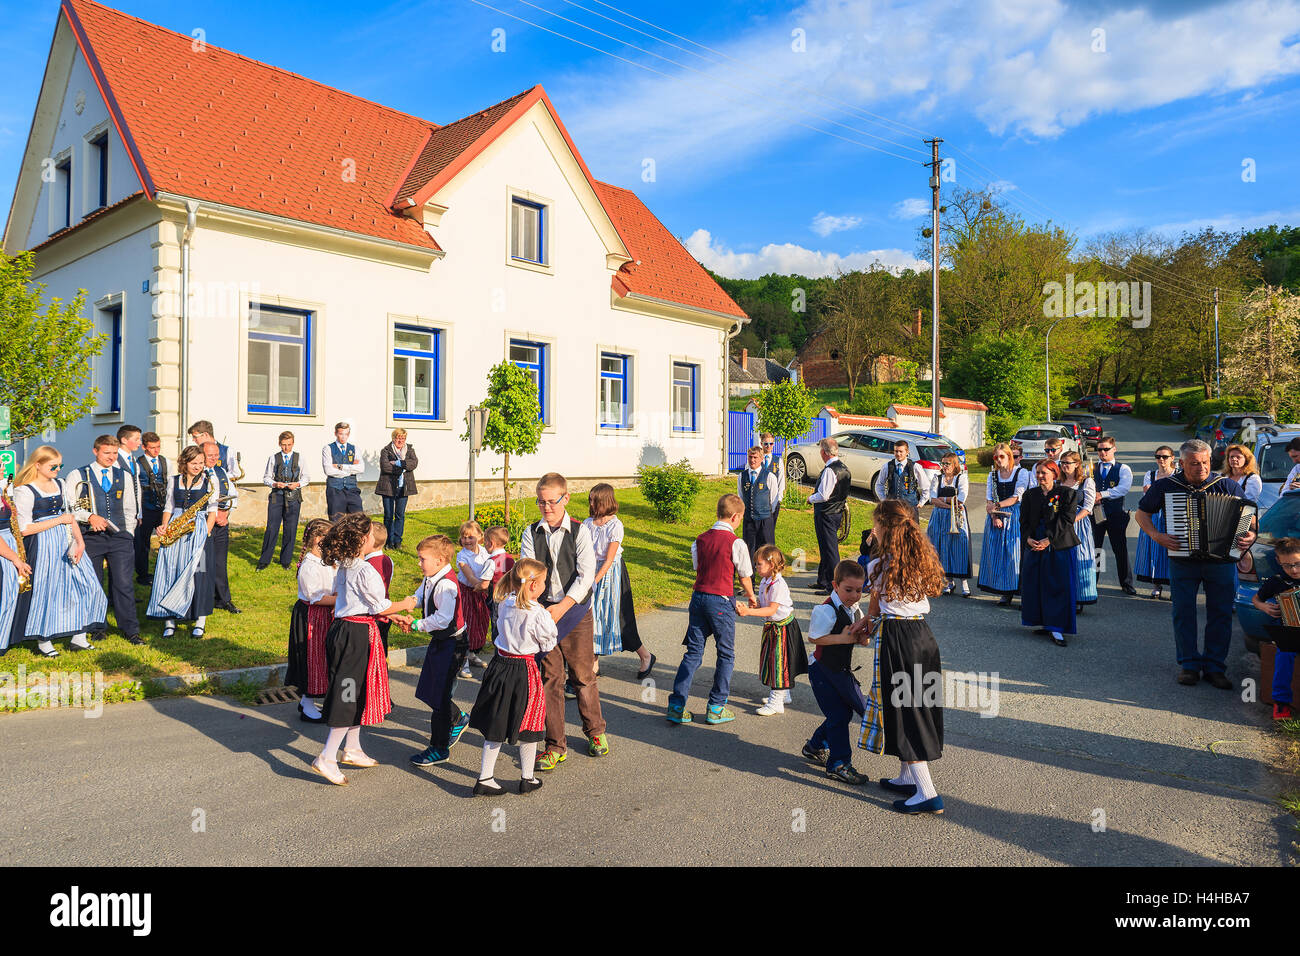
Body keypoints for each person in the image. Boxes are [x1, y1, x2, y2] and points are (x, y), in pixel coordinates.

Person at [1135, 439, 1256, 688]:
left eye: (1204, 462)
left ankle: (1215, 667)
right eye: (1194, 463)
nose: (1200, 467)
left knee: (1220, 613)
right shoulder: (1167, 486)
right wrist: (1157, 536)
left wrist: (1250, 536)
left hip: (1221, 560)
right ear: (1181, 463)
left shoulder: (1227, 485)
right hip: (1183, 560)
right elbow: (1141, 514)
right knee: (1183, 612)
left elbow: (1250, 521)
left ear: (1210, 460)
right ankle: (1189, 665)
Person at [312, 514, 415, 785]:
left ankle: (353, 748)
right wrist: (405, 604)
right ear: (363, 540)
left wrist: (395, 616)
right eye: (369, 532)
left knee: (357, 692)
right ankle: (327, 756)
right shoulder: (365, 570)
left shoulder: (348, 564)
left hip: (348, 629)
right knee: (347, 693)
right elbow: (378, 606)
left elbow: (365, 605)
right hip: (354, 637)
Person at [520, 473, 609, 768]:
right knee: (550, 679)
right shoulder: (530, 533)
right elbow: (526, 575)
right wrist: (537, 607)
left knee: (583, 676)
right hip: (543, 613)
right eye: (541, 502)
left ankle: (595, 731)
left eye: (552, 501)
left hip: (575, 612)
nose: (546, 507)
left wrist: (563, 606)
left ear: (565, 498)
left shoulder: (579, 531)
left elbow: (586, 576)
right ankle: (555, 744)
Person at [864, 503, 947, 814]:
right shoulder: (919, 559)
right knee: (918, 706)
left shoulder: (879, 566)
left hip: (898, 639)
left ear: (886, 528)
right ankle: (906, 776)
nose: (873, 530)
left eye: (877, 526)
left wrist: (865, 627)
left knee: (905, 712)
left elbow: (875, 609)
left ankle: (927, 793)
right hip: (923, 637)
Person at [666, 493, 757, 725]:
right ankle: (716, 706)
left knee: (693, 653)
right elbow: (744, 575)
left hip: (698, 598)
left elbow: (699, 567)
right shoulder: (736, 543)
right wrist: (751, 596)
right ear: (736, 517)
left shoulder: (700, 539)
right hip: (721, 600)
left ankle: (677, 705)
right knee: (726, 653)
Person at [468, 558, 557, 795]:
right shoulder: (538, 613)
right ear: (535, 585)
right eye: (544, 581)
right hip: (524, 670)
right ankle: (527, 777)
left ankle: (485, 777)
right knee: (529, 723)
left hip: (499, 665)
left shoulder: (505, 603)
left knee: (496, 721)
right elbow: (548, 643)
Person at [11, 445, 107, 657]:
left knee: (88, 585)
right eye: (53, 466)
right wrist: (58, 521)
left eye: (59, 465)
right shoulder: (24, 490)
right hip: (43, 544)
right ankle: (44, 640)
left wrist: (80, 542)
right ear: (37, 465)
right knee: (49, 591)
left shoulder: (60, 484)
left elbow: (70, 516)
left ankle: (79, 636)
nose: (57, 469)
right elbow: (25, 529)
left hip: (66, 540)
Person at [400, 534, 471, 768]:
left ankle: (439, 748)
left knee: (439, 697)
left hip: (453, 644)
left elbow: (442, 618)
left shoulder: (447, 585)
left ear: (440, 560)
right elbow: (421, 594)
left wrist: (416, 624)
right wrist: (410, 603)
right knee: (430, 689)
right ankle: (458, 717)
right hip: (441, 642)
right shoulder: (431, 577)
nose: (419, 563)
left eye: (422, 559)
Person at [801, 559, 872, 784]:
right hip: (823, 672)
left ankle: (814, 746)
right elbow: (815, 636)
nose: (854, 595)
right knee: (841, 716)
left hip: (840, 670)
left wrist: (862, 636)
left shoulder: (853, 608)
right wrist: (843, 637)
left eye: (859, 590)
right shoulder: (826, 609)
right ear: (835, 585)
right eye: (848, 590)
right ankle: (838, 764)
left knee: (841, 714)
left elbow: (858, 638)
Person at [71, 435, 142, 645]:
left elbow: (130, 507)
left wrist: (128, 533)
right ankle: (97, 626)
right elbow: (72, 506)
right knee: (94, 583)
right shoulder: (78, 474)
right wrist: (89, 516)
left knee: (123, 583)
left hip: (119, 537)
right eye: (106, 453)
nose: (111, 457)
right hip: (91, 538)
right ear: (95, 451)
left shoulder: (124, 475)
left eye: (113, 453)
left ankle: (130, 629)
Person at [147, 446, 217, 638]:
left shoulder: (210, 481)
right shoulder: (173, 481)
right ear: (184, 463)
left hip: (199, 528)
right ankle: (169, 620)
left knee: (200, 573)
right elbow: (168, 507)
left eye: (201, 463)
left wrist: (206, 532)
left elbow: (213, 510)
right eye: (194, 463)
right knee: (171, 571)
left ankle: (200, 619)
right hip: (176, 528)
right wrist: (164, 528)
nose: (198, 467)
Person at [584, 483, 653, 676]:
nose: (591, 504)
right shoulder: (587, 523)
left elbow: (609, 559)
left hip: (611, 574)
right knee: (592, 617)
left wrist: (595, 581)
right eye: (590, 500)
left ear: (605, 502)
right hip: (592, 571)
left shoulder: (615, 525)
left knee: (620, 618)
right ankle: (594, 664)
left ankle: (645, 656)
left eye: (594, 500)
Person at [736, 544, 806, 716]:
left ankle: (776, 702)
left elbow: (771, 610)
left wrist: (749, 612)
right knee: (774, 662)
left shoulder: (778, 585)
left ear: (771, 565)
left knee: (779, 665)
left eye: (759, 564)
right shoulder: (766, 581)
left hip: (783, 628)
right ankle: (784, 694)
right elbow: (765, 605)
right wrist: (755, 603)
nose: (756, 567)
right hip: (774, 627)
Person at [1020, 461, 1080, 647]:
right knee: (1036, 586)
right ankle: (1045, 622)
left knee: (1057, 586)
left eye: (1044, 473)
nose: (1040, 476)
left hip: (1058, 546)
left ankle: (1057, 627)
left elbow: (1067, 521)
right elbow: (1024, 521)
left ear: (1054, 474)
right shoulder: (1030, 495)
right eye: (1037, 473)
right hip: (1035, 546)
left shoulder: (1067, 494)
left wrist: (1049, 540)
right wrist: (1028, 539)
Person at [286, 518, 335, 723]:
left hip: (325, 614)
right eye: (329, 538)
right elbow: (316, 597)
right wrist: (343, 599)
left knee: (324, 658)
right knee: (312, 659)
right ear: (317, 539)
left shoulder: (327, 561)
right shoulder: (309, 565)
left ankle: (315, 699)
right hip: (311, 616)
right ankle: (306, 702)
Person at [1252, 537, 1300, 721]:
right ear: (1279, 561)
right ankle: (1281, 702)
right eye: (1287, 565)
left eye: (1297, 564)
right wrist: (1264, 607)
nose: (1293, 570)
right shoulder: (1277, 582)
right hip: (1288, 633)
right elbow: (1256, 600)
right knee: (1284, 656)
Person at [978, 442, 1031, 607]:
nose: (999, 460)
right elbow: (989, 499)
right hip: (996, 515)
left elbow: (1017, 497)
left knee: (1014, 554)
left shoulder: (1021, 473)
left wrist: (997, 506)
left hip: (1015, 516)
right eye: (996, 457)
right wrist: (994, 515)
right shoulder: (992, 475)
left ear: (1009, 456)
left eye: (1002, 456)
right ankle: (1005, 592)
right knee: (999, 554)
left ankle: (1021, 592)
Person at [1091, 437, 1136, 595]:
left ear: (1114, 449)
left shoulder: (1123, 469)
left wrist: (1101, 494)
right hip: (1095, 514)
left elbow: (1122, 489)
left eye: (1106, 449)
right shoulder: (1091, 468)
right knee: (1096, 549)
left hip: (1116, 514)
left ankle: (1126, 583)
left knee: (1120, 549)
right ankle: (1092, 583)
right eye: (1100, 450)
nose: (1102, 452)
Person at [258, 430, 309, 571]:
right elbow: (266, 477)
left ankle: (285, 561)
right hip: (277, 495)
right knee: (272, 528)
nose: (286, 448)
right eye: (284, 445)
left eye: (289, 444)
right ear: (279, 444)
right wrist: (275, 484)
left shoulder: (300, 458)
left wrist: (297, 484)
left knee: (290, 529)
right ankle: (264, 560)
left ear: (293, 444)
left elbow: (306, 477)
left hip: (293, 496)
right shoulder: (273, 458)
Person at [808, 437, 851, 594]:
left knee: (830, 550)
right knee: (825, 547)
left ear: (824, 452)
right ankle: (823, 580)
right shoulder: (844, 468)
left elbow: (823, 495)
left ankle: (833, 585)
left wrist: (810, 498)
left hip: (826, 513)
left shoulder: (829, 470)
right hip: (836, 512)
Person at [203, 442, 240, 614]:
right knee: (202, 562)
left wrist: (226, 513)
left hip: (221, 523)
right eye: (210, 455)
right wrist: (212, 514)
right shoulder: (197, 472)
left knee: (220, 562)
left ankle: (223, 599)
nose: (214, 458)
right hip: (203, 522)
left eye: (216, 454)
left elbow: (233, 494)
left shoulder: (222, 471)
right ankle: (203, 598)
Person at [925, 451, 970, 596]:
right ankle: (949, 581)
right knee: (942, 547)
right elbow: (932, 499)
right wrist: (950, 503)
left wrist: (942, 500)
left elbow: (961, 498)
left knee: (959, 547)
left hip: (956, 518)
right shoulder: (937, 478)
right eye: (942, 463)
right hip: (939, 517)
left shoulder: (961, 478)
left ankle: (964, 583)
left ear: (954, 464)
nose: (944, 466)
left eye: (947, 463)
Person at [1135, 446, 1177, 599]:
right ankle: (1156, 585)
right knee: (1153, 549)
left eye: (1165, 456)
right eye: (1158, 456)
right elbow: (1147, 493)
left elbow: (1152, 491)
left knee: (1171, 551)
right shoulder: (1150, 474)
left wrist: (1154, 491)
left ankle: (1174, 587)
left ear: (1172, 458)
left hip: (1171, 516)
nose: (1161, 459)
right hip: (1153, 516)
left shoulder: (1177, 474)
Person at [1059, 451, 1097, 614]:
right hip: (1060, 525)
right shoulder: (1058, 482)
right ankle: (1062, 596)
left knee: (1079, 560)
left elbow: (1088, 508)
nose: (1064, 465)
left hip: (1078, 525)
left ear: (1077, 464)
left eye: (1068, 462)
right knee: (1061, 562)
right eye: (1062, 462)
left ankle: (1079, 597)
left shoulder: (1086, 482)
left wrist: (1071, 520)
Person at [0, 476, 33, 654]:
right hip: (4, 550)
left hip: (8, 545)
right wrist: (15, 558)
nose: (3, 469)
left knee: (9, 594)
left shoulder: (2, 490)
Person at [455, 520, 493, 675]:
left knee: (481, 623)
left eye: (471, 537)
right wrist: (483, 586)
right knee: (467, 625)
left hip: (481, 592)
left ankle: (472, 653)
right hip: (467, 592)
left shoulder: (485, 552)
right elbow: (469, 576)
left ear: (480, 536)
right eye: (464, 537)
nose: (467, 541)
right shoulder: (462, 556)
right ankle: (463, 661)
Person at [133, 432, 168, 585]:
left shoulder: (165, 462)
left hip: (162, 507)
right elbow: (135, 488)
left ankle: (165, 571)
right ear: (144, 447)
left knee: (167, 539)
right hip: (145, 508)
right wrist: (138, 512)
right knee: (143, 543)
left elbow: (170, 483)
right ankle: (143, 575)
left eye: (158, 447)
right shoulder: (137, 463)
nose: (156, 451)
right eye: (152, 447)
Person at [376, 429, 418, 550]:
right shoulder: (386, 450)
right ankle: (389, 541)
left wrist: (398, 463)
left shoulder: (410, 450)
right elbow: (385, 467)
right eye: (398, 438)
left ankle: (397, 541)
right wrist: (404, 467)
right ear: (393, 438)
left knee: (400, 515)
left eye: (403, 438)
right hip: (388, 487)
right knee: (388, 515)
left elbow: (414, 463)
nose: (400, 440)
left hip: (403, 487)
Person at [739, 445, 780, 567]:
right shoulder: (742, 476)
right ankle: (750, 580)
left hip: (765, 519)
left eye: (755, 457)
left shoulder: (769, 476)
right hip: (749, 519)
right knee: (749, 549)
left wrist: (767, 514)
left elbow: (774, 499)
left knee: (768, 549)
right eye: (750, 457)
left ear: (761, 459)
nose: (752, 460)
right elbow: (741, 497)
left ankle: (772, 576)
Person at [873, 439, 931, 514]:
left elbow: (926, 486)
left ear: (907, 452)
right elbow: (879, 485)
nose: (898, 454)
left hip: (910, 508)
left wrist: (922, 502)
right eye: (896, 451)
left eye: (901, 451)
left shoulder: (915, 467)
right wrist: (884, 500)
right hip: (892, 508)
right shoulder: (887, 466)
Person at [321, 422, 364, 518]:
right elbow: (329, 470)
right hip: (335, 490)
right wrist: (351, 469)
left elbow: (361, 468)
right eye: (341, 434)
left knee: (358, 519)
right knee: (336, 521)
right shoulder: (328, 448)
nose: (343, 437)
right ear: (335, 433)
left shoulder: (355, 449)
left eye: (346, 434)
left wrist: (341, 467)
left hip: (352, 489)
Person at [365, 524, 394, 654]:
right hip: (386, 610)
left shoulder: (366, 566)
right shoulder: (388, 560)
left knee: (372, 650)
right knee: (383, 646)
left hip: (373, 613)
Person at [115, 424, 144, 524]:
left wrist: (139, 512)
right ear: (124, 440)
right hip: (120, 514)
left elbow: (137, 487)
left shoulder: (134, 461)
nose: (139, 443)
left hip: (133, 515)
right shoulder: (114, 460)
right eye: (136, 439)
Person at [759, 432, 786, 528]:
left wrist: (779, 499)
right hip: (759, 500)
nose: (768, 446)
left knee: (770, 530)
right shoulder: (756, 459)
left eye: (771, 444)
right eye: (766, 444)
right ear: (761, 444)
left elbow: (781, 480)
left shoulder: (778, 461)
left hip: (773, 501)